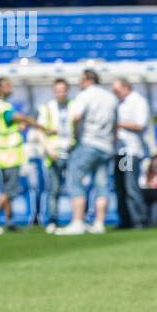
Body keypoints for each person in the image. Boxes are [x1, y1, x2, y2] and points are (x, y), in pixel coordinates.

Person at [56, 67, 117, 236]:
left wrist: (75, 137)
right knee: (102, 184)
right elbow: (115, 125)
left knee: (74, 179)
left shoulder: (84, 96)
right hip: (107, 146)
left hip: (88, 143)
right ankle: (99, 223)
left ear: (88, 80)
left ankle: (77, 221)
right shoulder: (110, 98)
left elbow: (76, 117)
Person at [0, 75, 41, 234]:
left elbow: (8, 126)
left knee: (5, 190)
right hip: (10, 154)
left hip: (2, 154)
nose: (11, 87)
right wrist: (37, 124)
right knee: (10, 191)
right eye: (7, 85)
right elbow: (18, 117)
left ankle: (10, 221)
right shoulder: (3, 106)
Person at [113, 76, 151, 229]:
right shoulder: (119, 103)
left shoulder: (138, 101)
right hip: (120, 152)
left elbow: (141, 124)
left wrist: (118, 124)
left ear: (126, 87)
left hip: (130, 151)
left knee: (130, 186)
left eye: (117, 89)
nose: (115, 93)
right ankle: (125, 219)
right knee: (121, 186)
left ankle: (139, 219)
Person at [39, 77, 75, 233]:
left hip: (72, 152)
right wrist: (48, 150)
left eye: (63, 90)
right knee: (54, 189)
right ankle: (52, 220)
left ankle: (78, 219)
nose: (60, 93)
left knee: (76, 187)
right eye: (57, 90)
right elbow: (40, 130)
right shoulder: (47, 108)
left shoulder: (74, 106)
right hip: (54, 153)